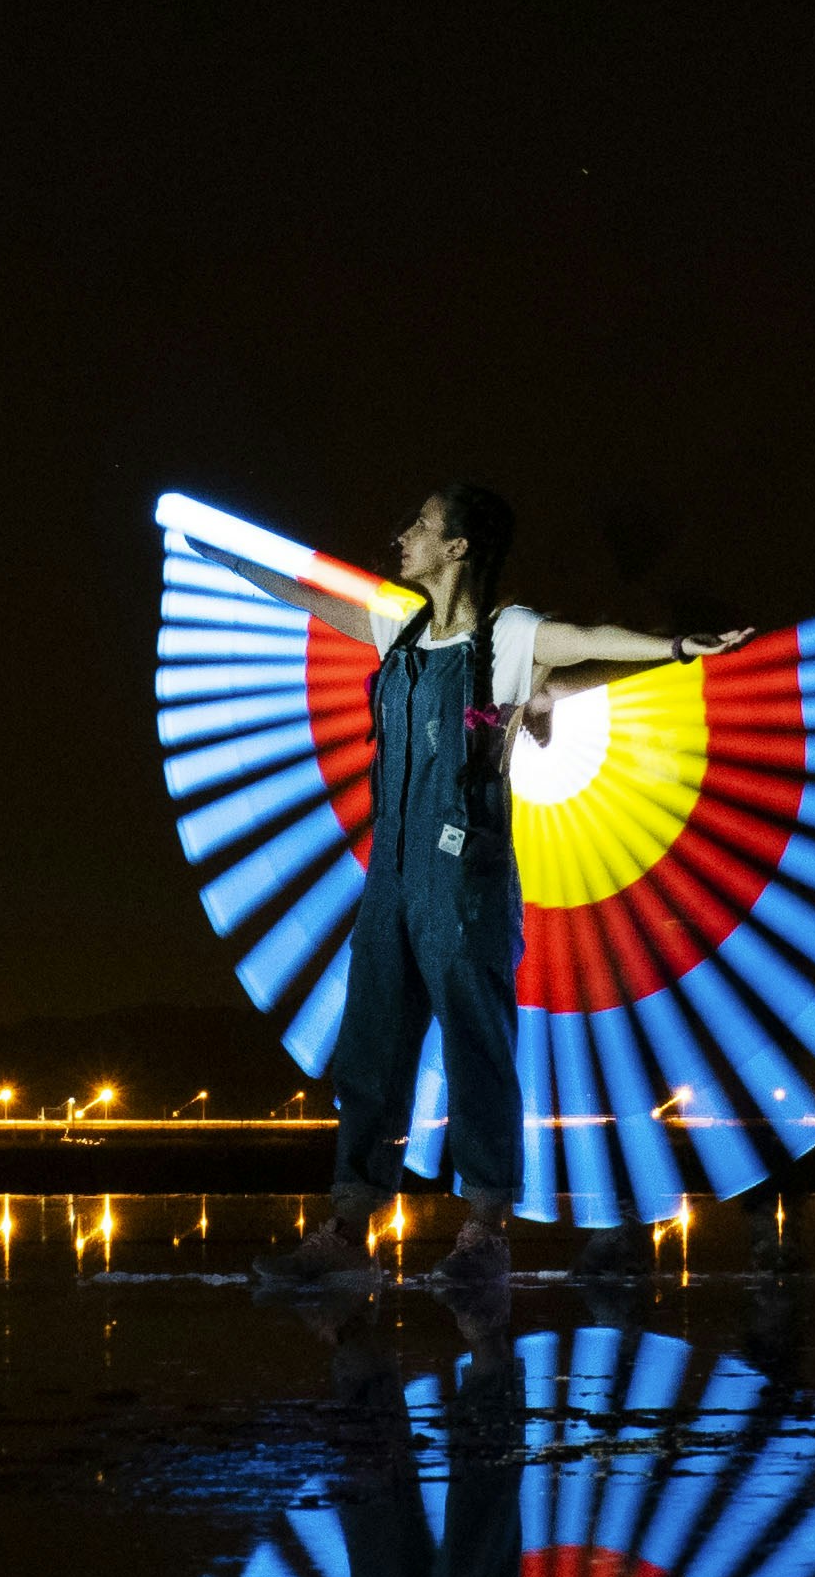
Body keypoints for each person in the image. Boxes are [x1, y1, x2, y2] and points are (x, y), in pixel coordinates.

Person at [241, 484, 751, 1303]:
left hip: (468, 879)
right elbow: (314, 601)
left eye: (421, 526)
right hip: (392, 878)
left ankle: (483, 1235)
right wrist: (228, 559)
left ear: (459, 549)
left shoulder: (506, 637)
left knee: (477, 1048)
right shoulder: (398, 626)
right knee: (371, 1046)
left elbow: (584, 638)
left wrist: (680, 648)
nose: (401, 535)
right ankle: (347, 1230)